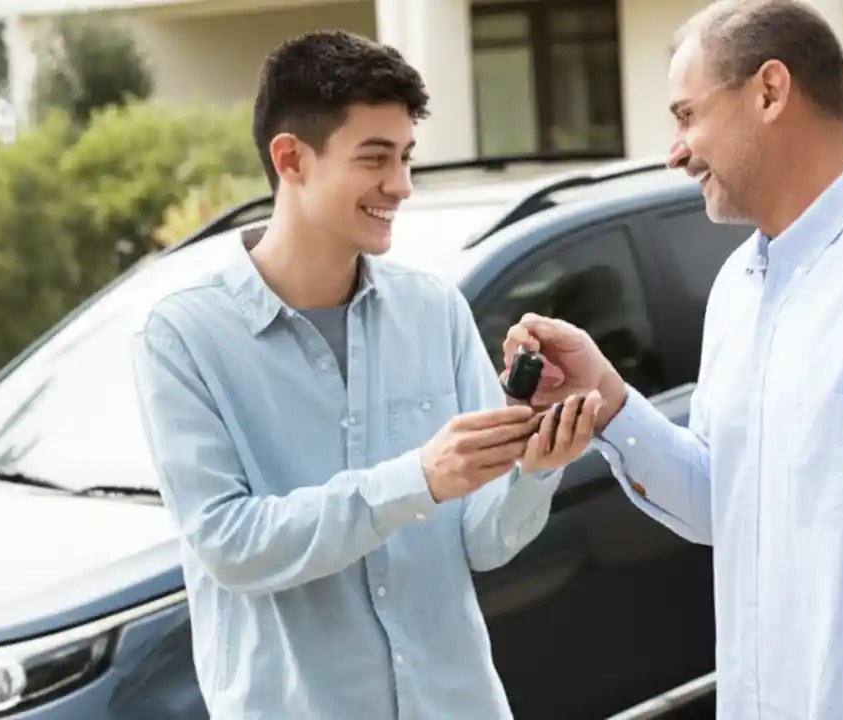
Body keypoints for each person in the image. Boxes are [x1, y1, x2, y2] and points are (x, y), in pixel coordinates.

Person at [503, 1, 843, 717]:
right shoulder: (742, 287)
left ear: (769, 91)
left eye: (685, 115)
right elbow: (724, 502)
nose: (675, 150)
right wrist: (610, 403)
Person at [131, 30, 602, 719]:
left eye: (406, 158)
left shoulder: (433, 309)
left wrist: (536, 465)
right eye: (375, 158)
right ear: (291, 158)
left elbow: (483, 540)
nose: (401, 186)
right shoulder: (182, 338)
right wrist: (419, 479)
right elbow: (231, 547)